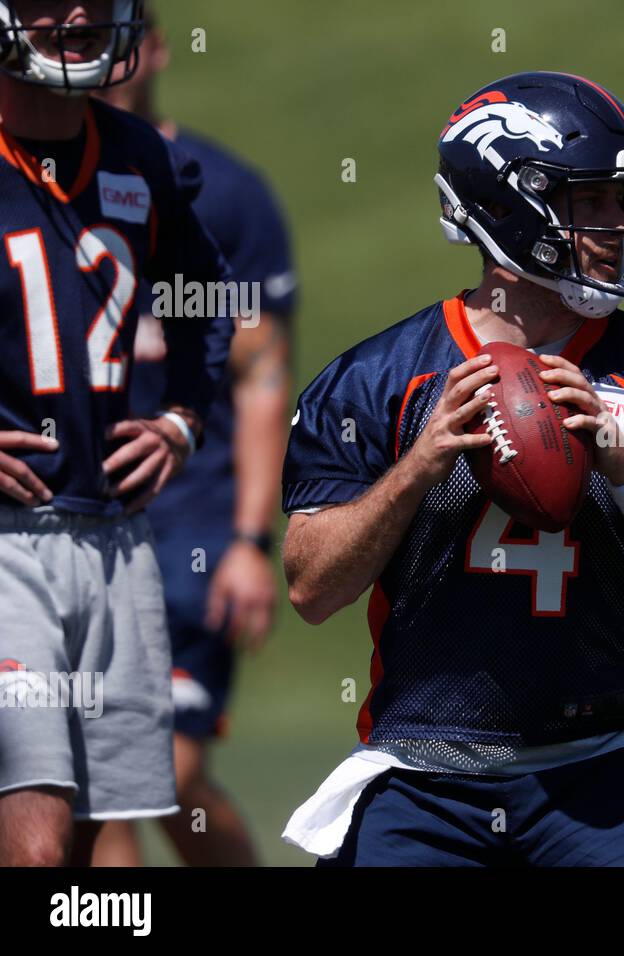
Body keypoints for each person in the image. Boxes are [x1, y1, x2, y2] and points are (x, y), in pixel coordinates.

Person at [280, 71, 624, 866]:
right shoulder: (378, 381)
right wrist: (416, 470)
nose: (618, 226)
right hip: (429, 768)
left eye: (621, 202)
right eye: (592, 201)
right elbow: (310, 588)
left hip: (613, 760)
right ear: (508, 203)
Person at [0, 0, 231, 865]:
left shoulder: (142, 159)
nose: (77, 14)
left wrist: (181, 417)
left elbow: (209, 296)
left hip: (114, 539)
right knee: (37, 849)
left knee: (96, 842)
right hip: (7, 542)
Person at [89, 6, 297, 867]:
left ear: (159, 47)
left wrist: (252, 537)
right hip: (75, 519)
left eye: (119, 36)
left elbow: (259, 374)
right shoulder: (32, 181)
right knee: (91, 785)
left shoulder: (222, 188)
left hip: (193, 524)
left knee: (166, 771)